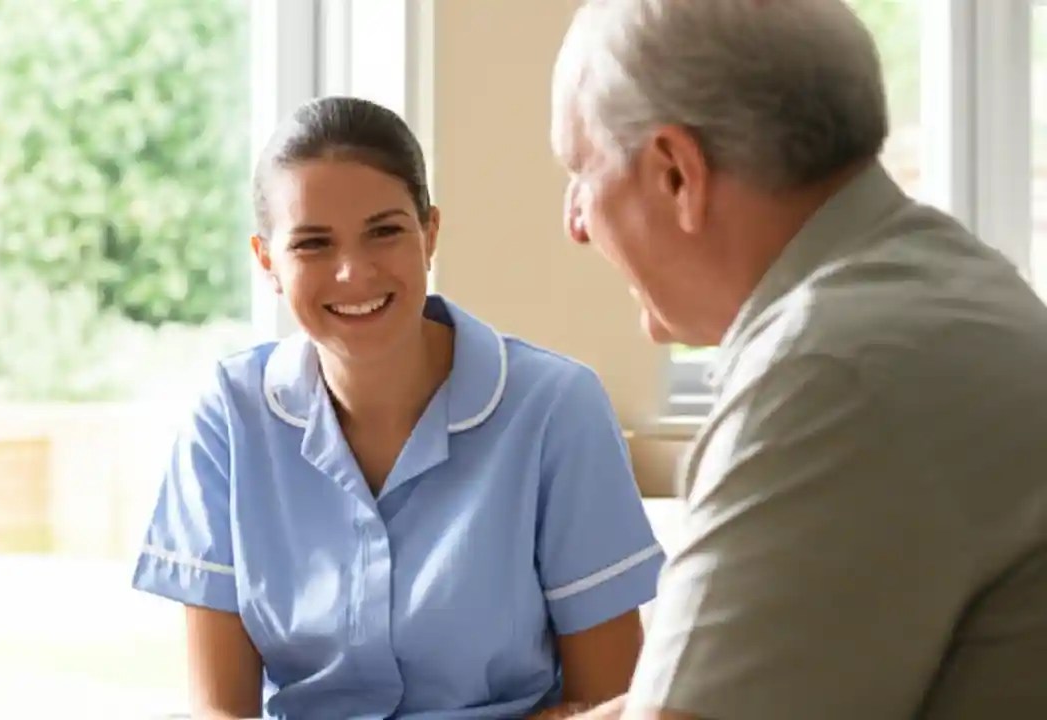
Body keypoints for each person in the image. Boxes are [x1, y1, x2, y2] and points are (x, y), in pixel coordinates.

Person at [548, 1, 1047, 718]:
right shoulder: (943, 286)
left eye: (581, 171)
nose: (575, 224)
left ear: (676, 174)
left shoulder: (828, 374)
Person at [132, 95, 665, 719]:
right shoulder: (227, 419)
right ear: (266, 262)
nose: (353, 273)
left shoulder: (555, 409)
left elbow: (606, 704)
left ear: (430, 233)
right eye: (311, 245)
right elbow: (223, 712)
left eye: (384, 231)